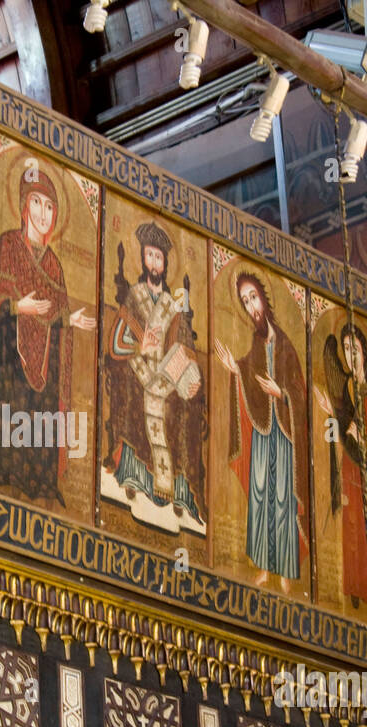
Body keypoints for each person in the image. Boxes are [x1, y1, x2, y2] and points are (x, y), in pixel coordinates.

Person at [0, 167, 94, 504]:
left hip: (46, 357)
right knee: (13, 408)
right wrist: (17, 308)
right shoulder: (7, 244)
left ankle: (44, 483)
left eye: (50, 207)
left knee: (43, 413)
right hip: (11, 353)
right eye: (37, 203)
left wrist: (67, 320)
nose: (43, 214)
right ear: (23, 205)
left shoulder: (55, 265)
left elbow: (54, 312)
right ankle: (6, 475)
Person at [100, 222, 205, 535]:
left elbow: (186, 348)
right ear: (143, 260)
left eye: (159, 258)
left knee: (185, 409)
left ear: (165, 263)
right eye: (149, 256)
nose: (154, 263)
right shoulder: (134, 297)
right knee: (133, 394)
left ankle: (181, 495)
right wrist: (139, 346)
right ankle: (132, 476)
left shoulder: (174, 307)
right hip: (137, 370)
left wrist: (190, 376)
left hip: (168, 378)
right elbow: (115, 344)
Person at [214, 273, 306, 590]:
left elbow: (299, 393)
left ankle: (285, 568)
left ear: (264, 299)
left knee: (282, 496)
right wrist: (236, 369)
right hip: (263, 434)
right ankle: (266, 566)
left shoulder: (286, 347)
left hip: (284, 435)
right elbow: (250, 377)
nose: (251, 305)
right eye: (245, 301)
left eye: (253, 297)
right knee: (261, 495)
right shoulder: (256, 346)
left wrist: (282, 393)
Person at [315, 324, 367, 612]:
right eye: (347, 350)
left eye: (356, 350)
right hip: (353, 466)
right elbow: (343, 427)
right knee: (354, 531)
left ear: (365, 353)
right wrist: (331, 412)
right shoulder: (348, 388)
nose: (351, 356)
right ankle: (356, 588)